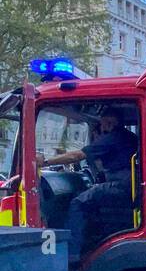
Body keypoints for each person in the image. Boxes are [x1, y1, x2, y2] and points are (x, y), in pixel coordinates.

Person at [40, 109, 138, 262]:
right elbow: (100, 162)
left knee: (78, 203)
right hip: (131, 185)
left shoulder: (112, 137)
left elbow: (77, 156)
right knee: (91, 199)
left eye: (103, 123)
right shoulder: (128, 136)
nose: (102, 126)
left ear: (111, 122)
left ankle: (72, 254)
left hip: (122, 186)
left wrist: (45, 162)